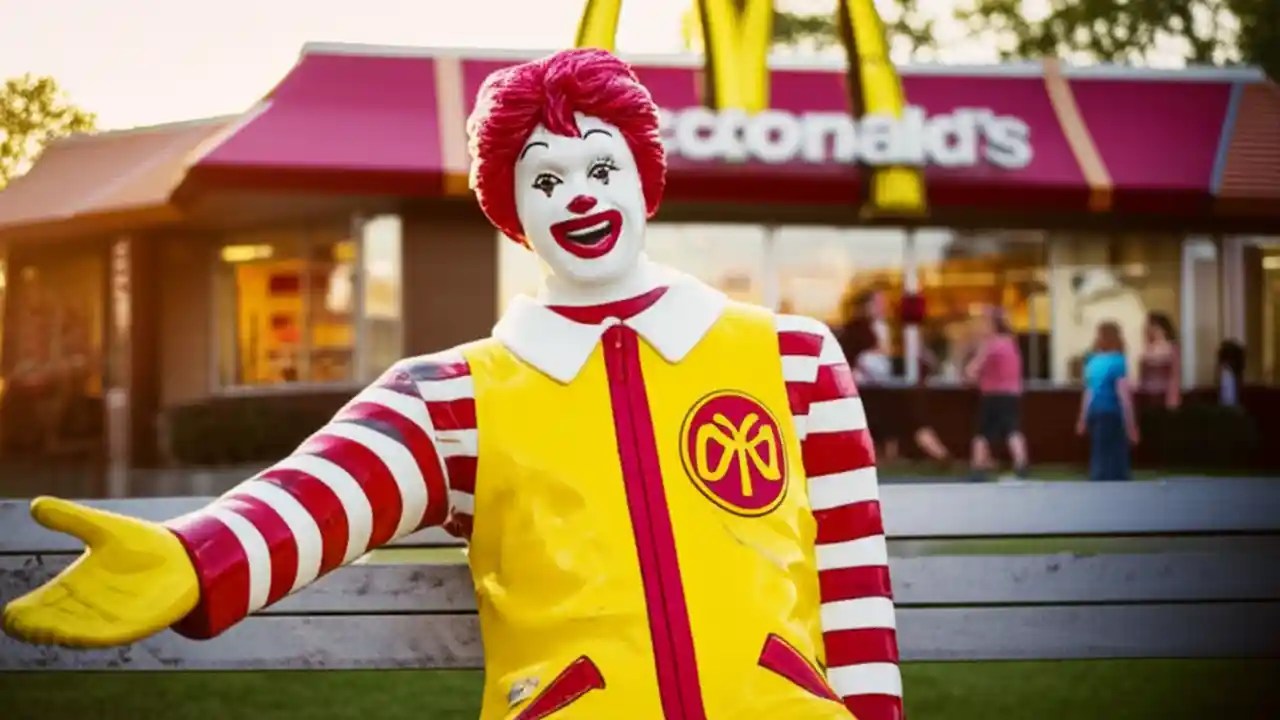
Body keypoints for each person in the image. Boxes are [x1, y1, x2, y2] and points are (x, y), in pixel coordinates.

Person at [3, 50, 902, 720]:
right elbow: (317, 495)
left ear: (644, 178)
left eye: (600, 168)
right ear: (513, 213)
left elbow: (853, 586)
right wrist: (193, 559)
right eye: (545, 179)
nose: (579, 197)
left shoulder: (793, 359)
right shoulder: (454, 395)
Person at [837, 286, 904, 459]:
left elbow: (891, 353)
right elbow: (848, 352)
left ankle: (889, 454)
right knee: (867, 417)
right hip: (862, 382)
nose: (882, 307)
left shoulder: (887, 327)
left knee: (888, 416)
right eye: (877, 303)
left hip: (883, 381)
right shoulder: (856, 328)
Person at [965, 307, 1028, 481]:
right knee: (1012, 429)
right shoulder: (1011, 343)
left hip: (993, 394)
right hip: (1012, 393)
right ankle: (1021, 463)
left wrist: (971, 373)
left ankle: (978, 467)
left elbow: (972, 370)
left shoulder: (991, 344)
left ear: (993, 325)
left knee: (983, 432)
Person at [1077, 321, 1140, 481]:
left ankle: (1097, 480)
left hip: (1095, 411)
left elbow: (1088, 392)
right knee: (1117, 453)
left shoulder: (1091, 361)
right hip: (1112, 411)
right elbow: (1124, 396)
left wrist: (1082, 419)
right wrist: (1131, 425)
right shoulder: (1119, 361)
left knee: (1099, 451)